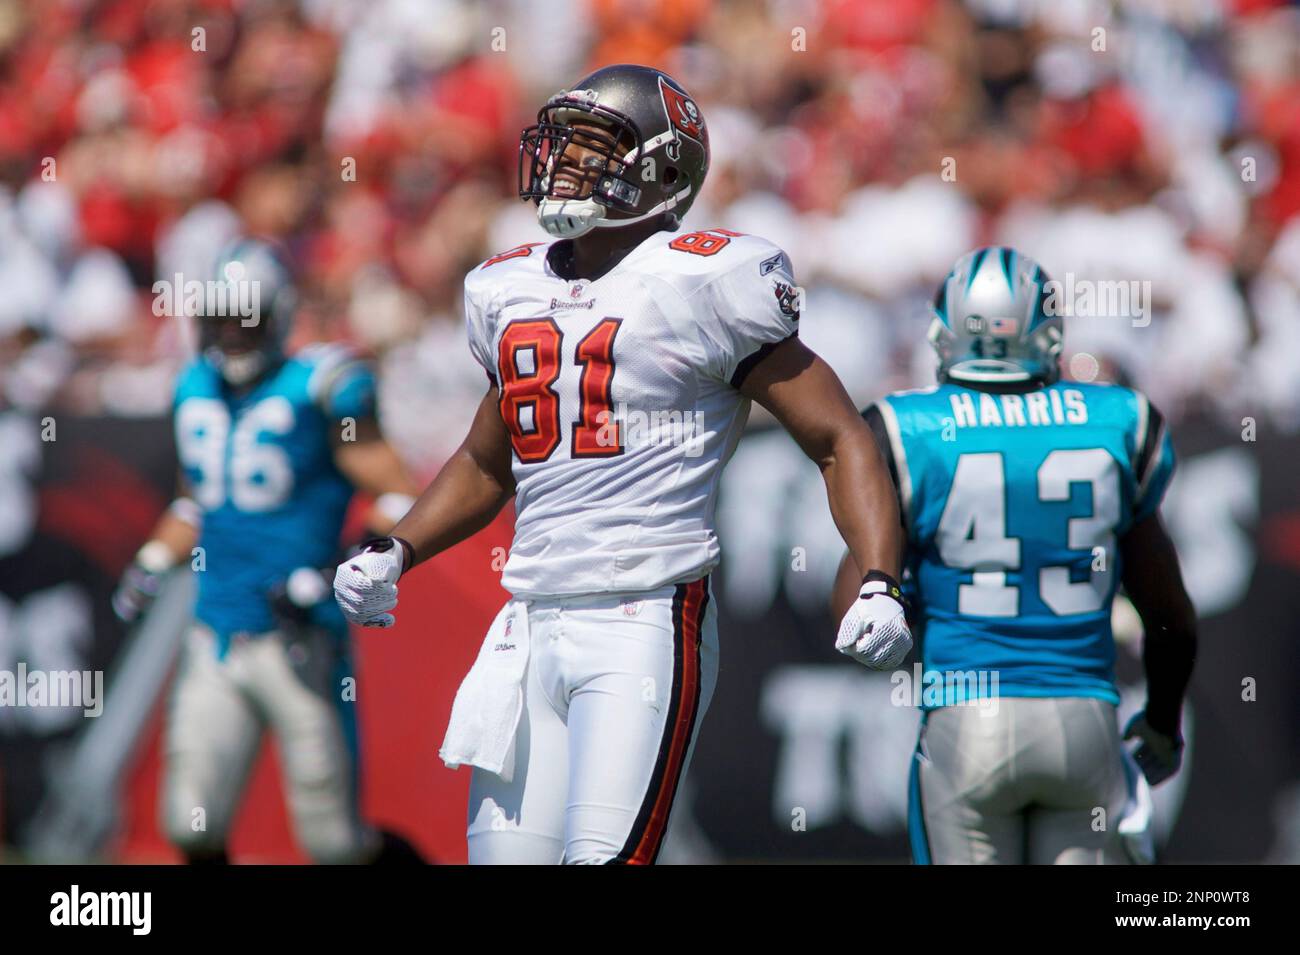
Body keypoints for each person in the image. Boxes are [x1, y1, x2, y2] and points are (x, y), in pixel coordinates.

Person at [333, 64, 910, 864]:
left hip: (644, 613)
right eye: (561, 142)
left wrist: (879, 577)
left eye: (593, 145)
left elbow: (841, 435)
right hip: (527, 621)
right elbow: (484, 458)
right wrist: (398, 548)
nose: (564, 161)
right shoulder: (507, 286)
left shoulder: (707, 279)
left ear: (664, 170)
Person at [833, 246, 1197, 864]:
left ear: (944, 333)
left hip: (964, 714)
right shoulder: (1117, 419)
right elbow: (1169, 614)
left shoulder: (906, 427)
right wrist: (1162, 722)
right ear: (1048, 333)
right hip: (1085, 718)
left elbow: (853, 607)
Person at [113, 238, 423, 864]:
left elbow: (398, 497)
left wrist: (332, 572)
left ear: (276, 317)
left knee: (334, 844)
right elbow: (193, 504)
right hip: (216, 634)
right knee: (191, 824)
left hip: (300, 638)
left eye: (244, 317)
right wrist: (151, 560)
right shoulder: (194, 387)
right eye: (220, 317)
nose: (230, 332)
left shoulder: (321, 388)